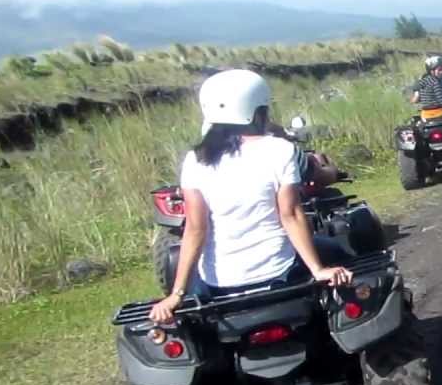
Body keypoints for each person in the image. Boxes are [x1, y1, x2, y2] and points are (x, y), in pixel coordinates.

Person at [148, 69, 353, 323]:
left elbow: (195, 229)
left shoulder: (195, 159)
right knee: (343, 254)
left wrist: (176, 294)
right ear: (259, 111)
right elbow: (290, 215)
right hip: (279, 272)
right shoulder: (280, 149)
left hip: (219, 284)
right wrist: (319, 269)